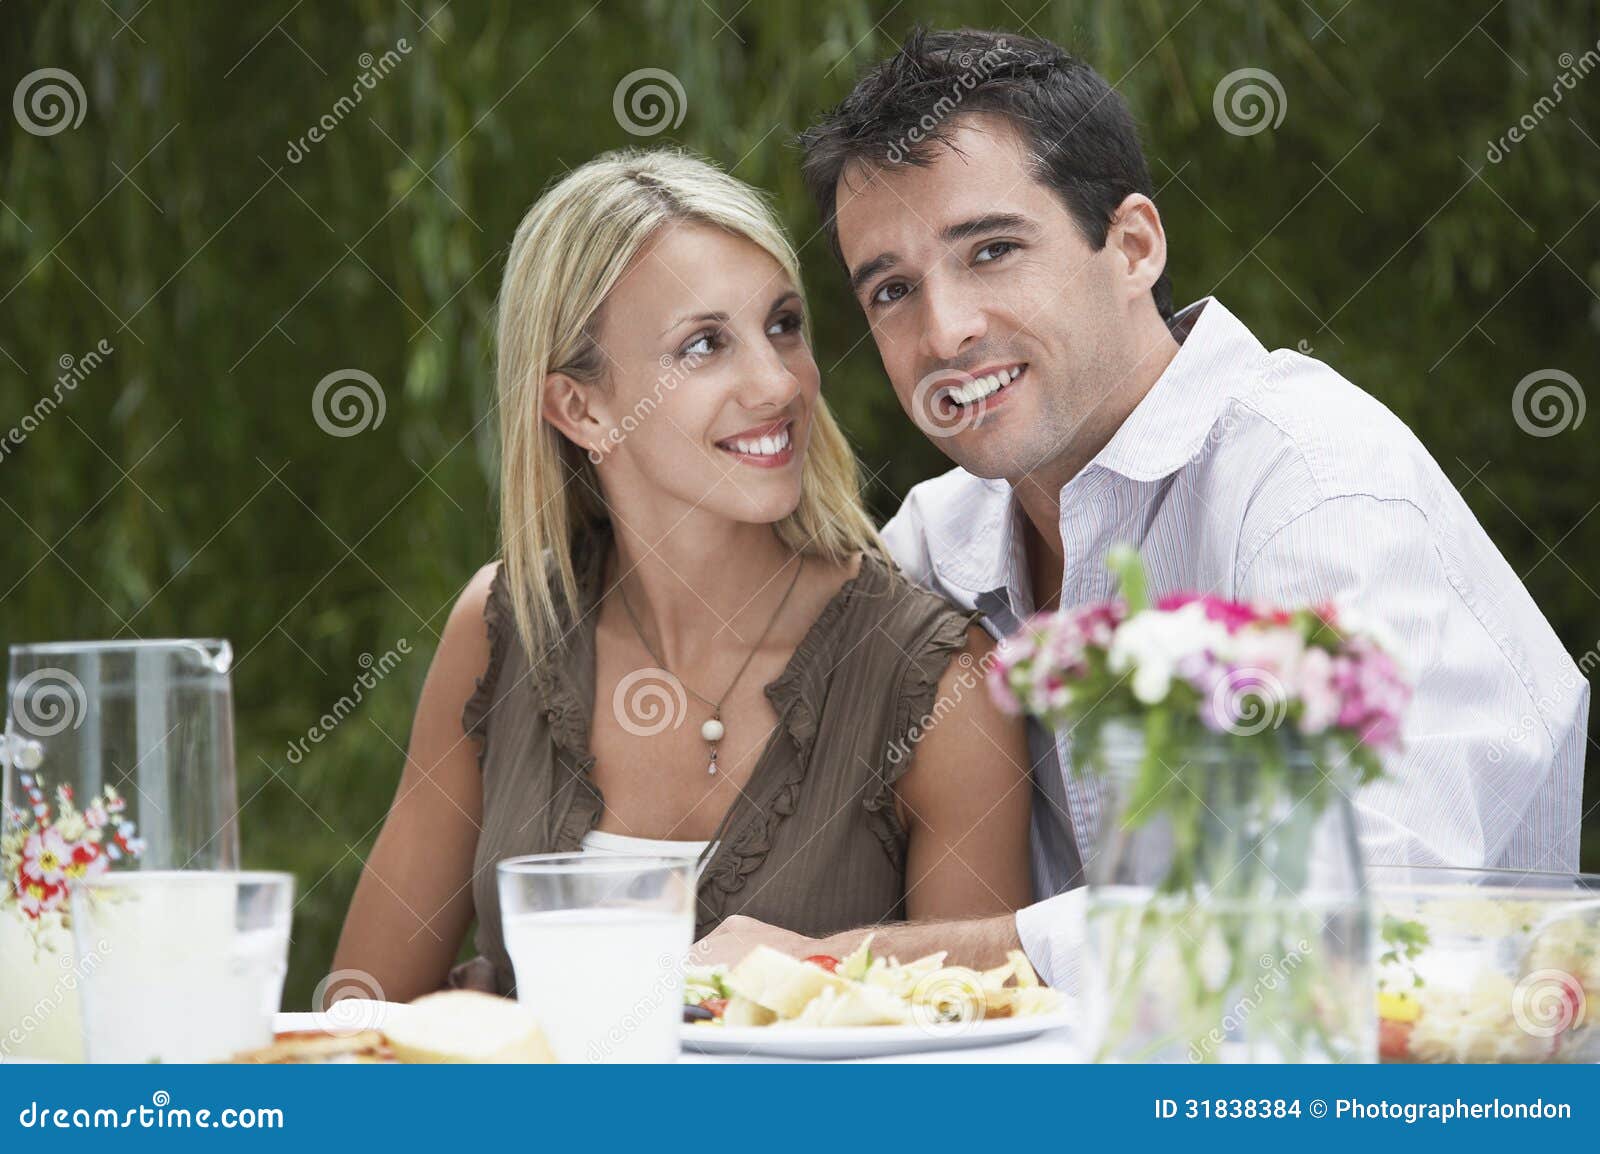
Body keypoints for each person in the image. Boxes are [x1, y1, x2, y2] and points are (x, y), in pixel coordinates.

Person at [695, 28, 1588, 987]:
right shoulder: (934, 544)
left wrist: (858, 965)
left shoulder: (1314, 487)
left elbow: (1352, 929)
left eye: (992, 251)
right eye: (893, 290)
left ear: (1132, 246)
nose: (945, 330)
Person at [331, 148, 1032, 1001]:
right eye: (704, 346)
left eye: (783, 324)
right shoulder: (504, 628)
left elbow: (981, 1066)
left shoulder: (937, 684)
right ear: (580, 408)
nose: (777, 382)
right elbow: (358, 1018)